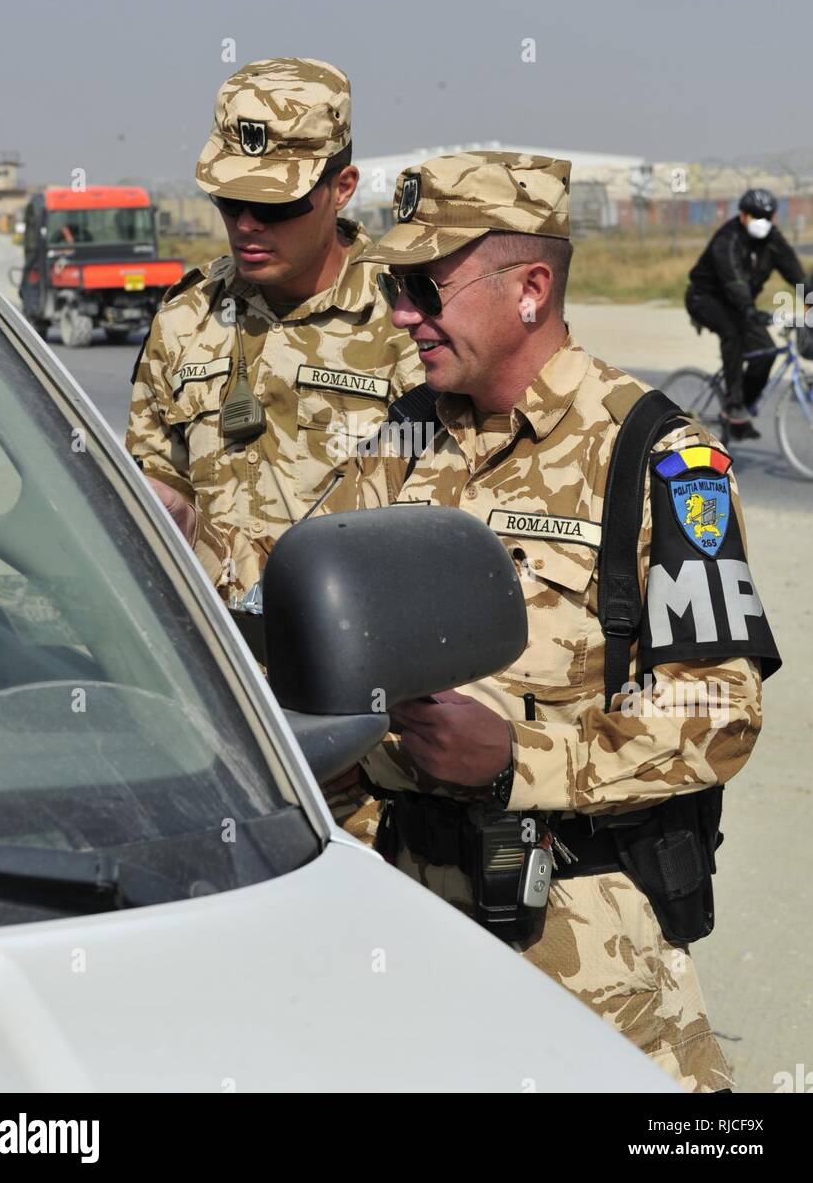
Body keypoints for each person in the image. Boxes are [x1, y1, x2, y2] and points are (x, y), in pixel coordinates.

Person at [316, 152, 780, 1091]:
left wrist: (517, 761)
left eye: (425, 284)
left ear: (529, 288)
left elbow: (719, 712)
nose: (404, 311)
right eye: (397, 284)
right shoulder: (406, 433)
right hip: (404, 914)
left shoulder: (654, 453)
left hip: (580, 949)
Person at [126, 56, 422, 841]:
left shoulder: (409, 320)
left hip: (362, 742)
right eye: (229, 201)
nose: (247, 226)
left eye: (276, 204)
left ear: (342, 186)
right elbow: (161, 487)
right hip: (211, 723)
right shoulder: (186, 316)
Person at [685, 188, 807, 439]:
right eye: (757, 216)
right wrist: (750, 310)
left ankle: (739, 416)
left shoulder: (773, 241)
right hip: (705, 298)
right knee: (733, 333)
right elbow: (734, 281)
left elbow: (795, 273)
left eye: (768, 216)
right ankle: (733, 404)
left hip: (740, 305)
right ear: (743, 215)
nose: (763, 222)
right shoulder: (727, 239)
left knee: (766, 352)